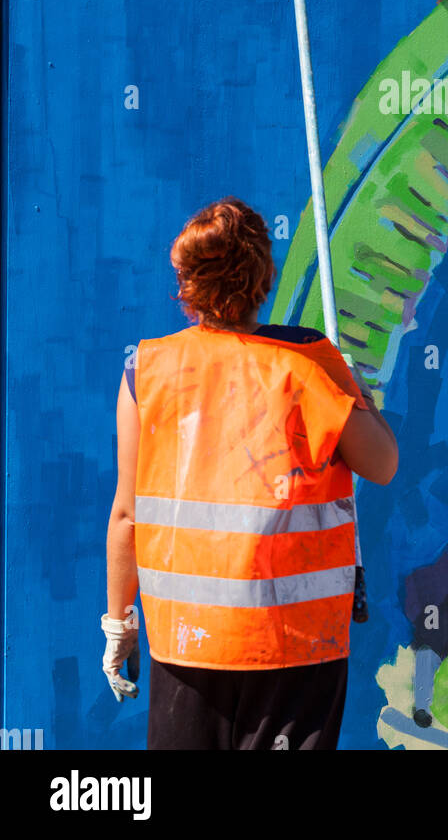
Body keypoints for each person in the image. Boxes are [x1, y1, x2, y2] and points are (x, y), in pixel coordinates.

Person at [103, 196, 398, 750]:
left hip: (187, 646)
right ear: (264, 276)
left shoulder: (146, 370)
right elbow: (382, 464)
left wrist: (119, 624)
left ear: (187, 282)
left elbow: (126, 514)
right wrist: (352, 386)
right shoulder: (309, 363)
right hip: (295, 648)